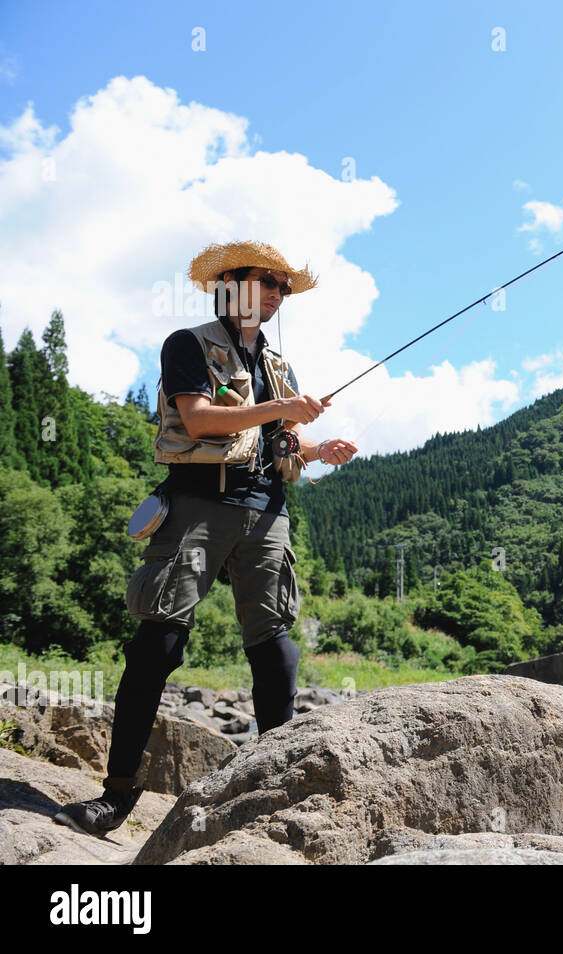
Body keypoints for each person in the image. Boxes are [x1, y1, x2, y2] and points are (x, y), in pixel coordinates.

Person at [54, 241, 358, 837]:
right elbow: (197, 419)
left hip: (266, 510)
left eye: (281, 287)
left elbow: (282, 442)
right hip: (196, 506)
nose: (275, 294)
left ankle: (274, 790)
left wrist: (321, 448)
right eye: (265, 282)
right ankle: (116, 798)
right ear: (231, 286)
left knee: (275, 650)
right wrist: (281, 408)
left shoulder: (278, 366)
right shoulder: (188, 345)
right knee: (158, 646)